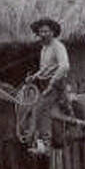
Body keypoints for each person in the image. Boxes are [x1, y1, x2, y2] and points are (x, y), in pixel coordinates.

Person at [26, 17, 70, 155]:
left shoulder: (58, 46)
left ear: (53, 32)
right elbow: (46, 68)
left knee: (40, 108)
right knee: (30, 104)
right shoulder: (44, 48)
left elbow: (64, 66)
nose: (43, 34)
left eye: (46, 31)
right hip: (45, 83)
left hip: (57, 84)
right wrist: (34, 76)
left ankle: (45, 144)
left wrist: (52, 83)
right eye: (41, 32)